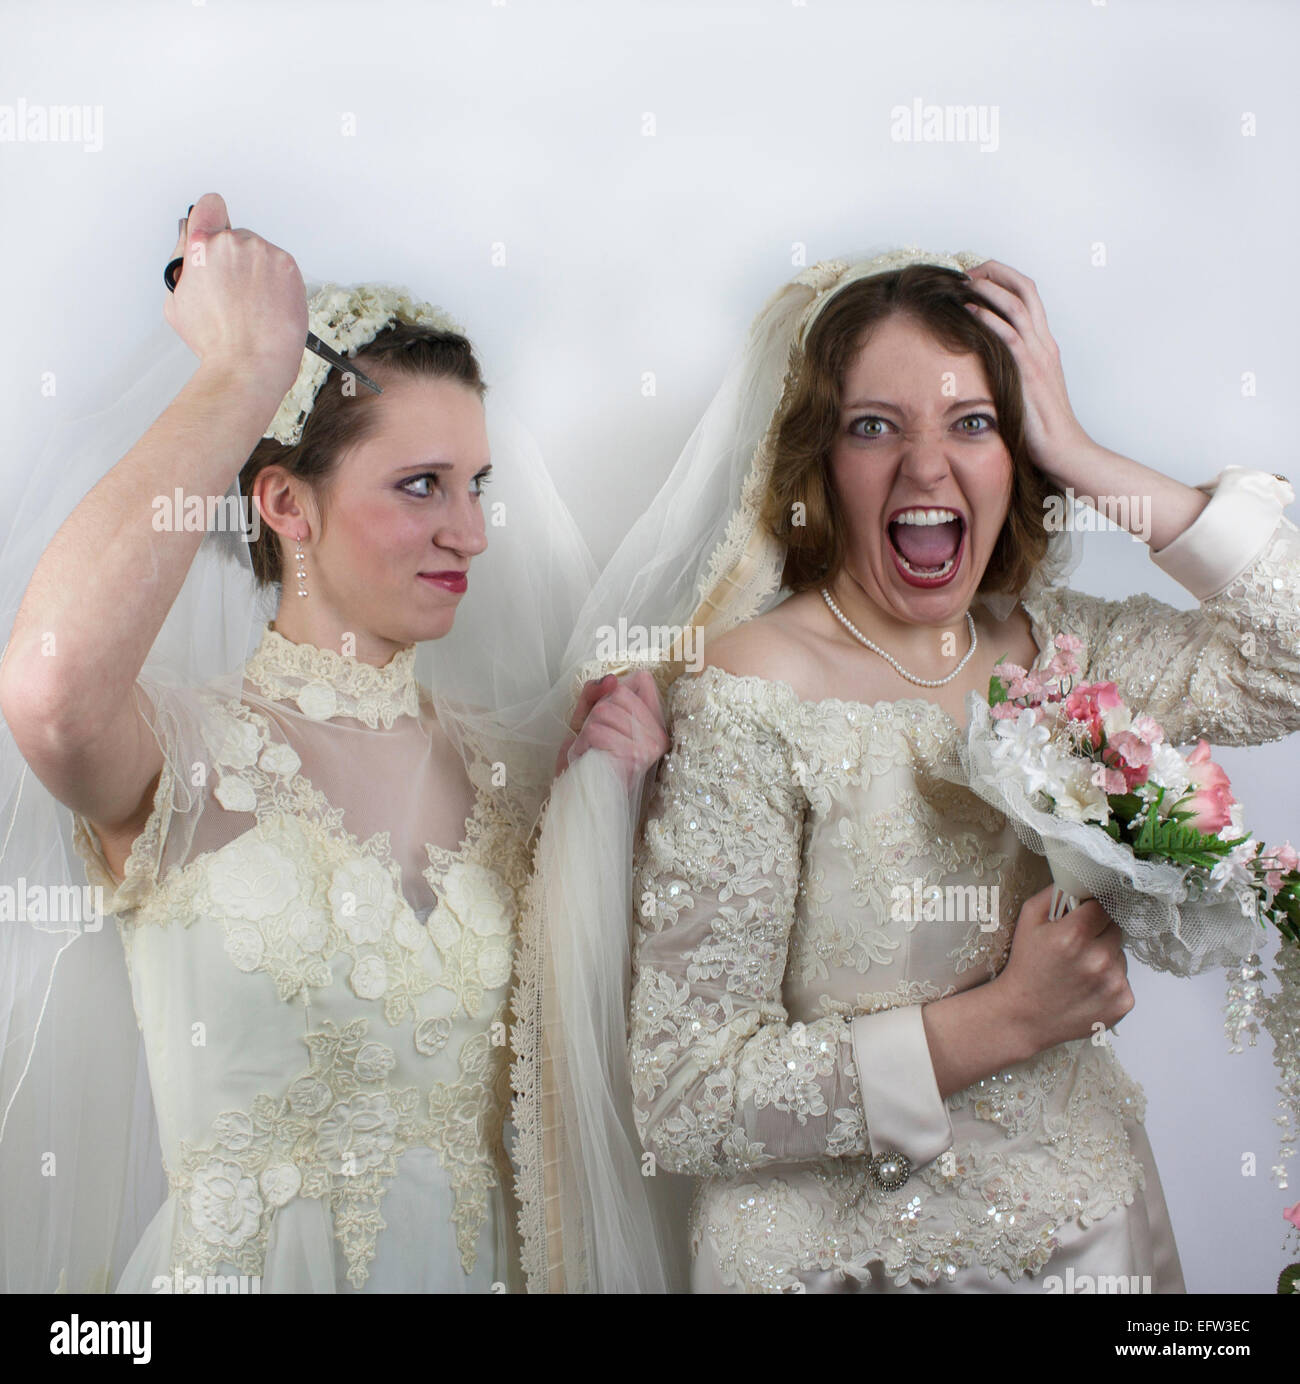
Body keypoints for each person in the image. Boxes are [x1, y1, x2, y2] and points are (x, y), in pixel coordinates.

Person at [523, 247, 1300, 1293]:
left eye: (972, 421)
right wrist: (1005, 1019)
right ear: (820, 462)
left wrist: (1078, 448)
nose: (926, 470)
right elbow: (689, 1095)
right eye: (874, 426)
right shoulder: (752, 694)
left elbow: (1285, 653)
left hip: (1089, 1251)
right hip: (847, 1269)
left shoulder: (1068, 650)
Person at [0, 193, 667, 1293]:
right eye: (421, 485)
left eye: (475, 485)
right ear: (285, 504)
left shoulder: (517, 769)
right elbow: (50, 685)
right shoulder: (183, 748)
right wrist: (243, 368)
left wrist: (611, 791)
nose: (472, 531)